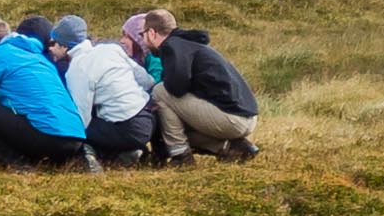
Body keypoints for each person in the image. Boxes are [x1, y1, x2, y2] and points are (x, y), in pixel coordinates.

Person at [0, 14, 94, 170]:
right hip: (76, 137)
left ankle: (15, 162)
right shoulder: (38, 57)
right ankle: (76, 157)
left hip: (46, 136)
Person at [131, 10, 262, 161]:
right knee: (173, 124)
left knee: (160, 91)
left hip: (232, 119)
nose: (144, 41)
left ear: (152, 32)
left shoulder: (172, 47)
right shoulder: (189, 45)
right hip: (245, 118)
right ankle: (231, 147)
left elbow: (176, 88)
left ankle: (180, 154)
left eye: (143, 35)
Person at [53, 14, 162, 165]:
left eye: (53, 43)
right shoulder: (110, 49)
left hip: (127, 129)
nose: (51, 49)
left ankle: (107, 155)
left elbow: (82, 118)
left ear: (63, 45)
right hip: (149, 120)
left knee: (78, 129)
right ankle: (131, 152)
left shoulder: (77, 68)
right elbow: (147, 80)